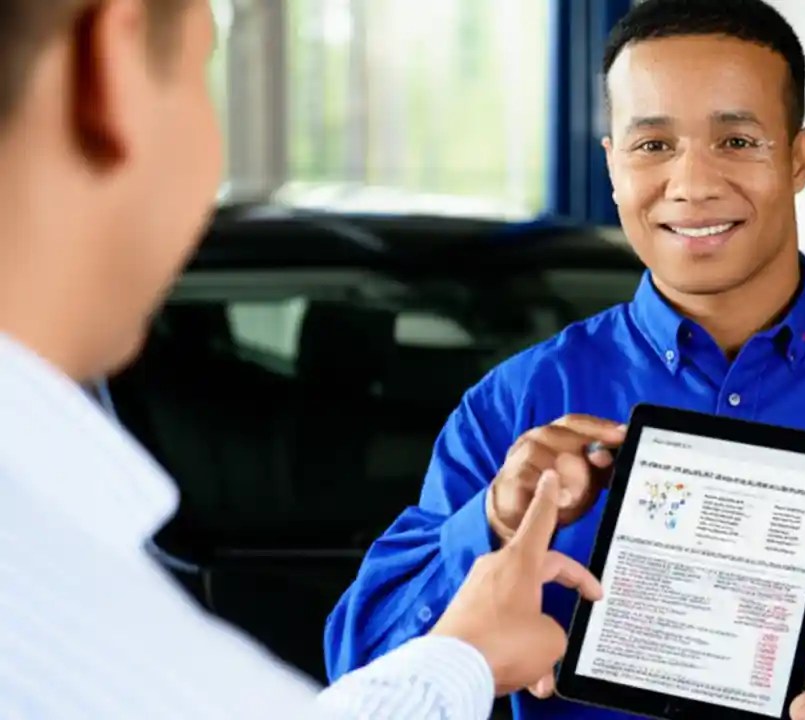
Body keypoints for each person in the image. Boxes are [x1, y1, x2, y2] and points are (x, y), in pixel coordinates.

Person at [325, 0, 805, 718]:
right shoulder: (517, 407)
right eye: (653, 144)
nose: (691, 184)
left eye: (736, 140)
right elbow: (360, 669)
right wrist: (490, 523)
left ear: (798, 157)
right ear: (612, 162)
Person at [0, 0, 601, 718]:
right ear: (114, 63)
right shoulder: (70, 616)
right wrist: (460, 657)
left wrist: (462, 654)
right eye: (202, 71)